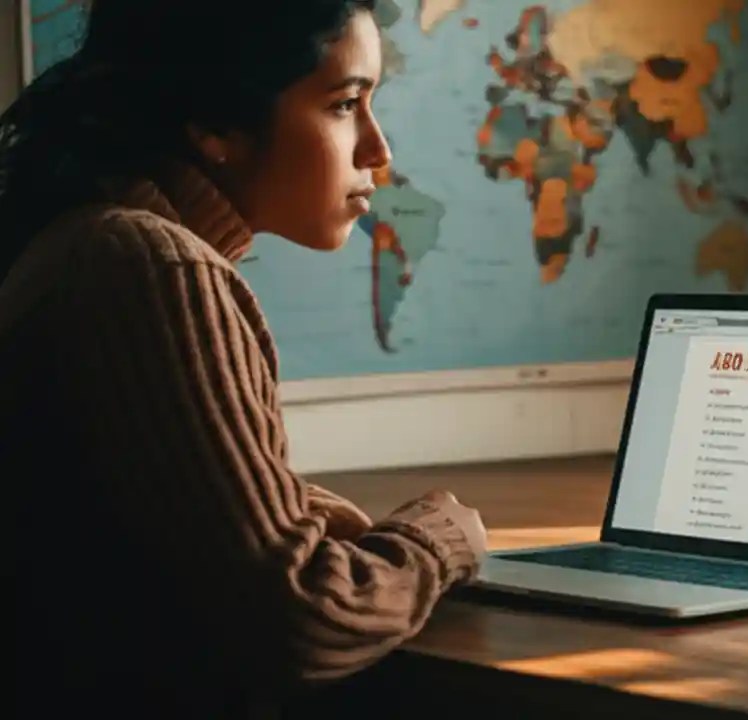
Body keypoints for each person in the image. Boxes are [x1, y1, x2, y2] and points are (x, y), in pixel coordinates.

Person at [0, 0, 488, 714]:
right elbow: (300, 622)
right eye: (345, 103)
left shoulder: (93, 245)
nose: (378, 150)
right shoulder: (153, 266)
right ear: (216, 124)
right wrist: (436, 539)